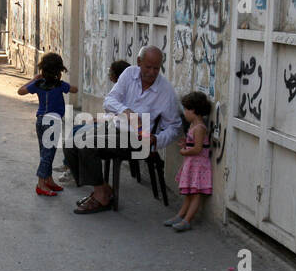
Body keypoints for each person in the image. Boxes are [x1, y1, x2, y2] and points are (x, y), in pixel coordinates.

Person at [67, 45, 181, 214]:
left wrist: (156, 139)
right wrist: (124, 110)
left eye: (156, 68)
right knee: (70, 143)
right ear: (139, 62)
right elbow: (109, 101)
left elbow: (174, 127)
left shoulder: (166, 90)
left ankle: (101, 197)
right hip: (116, 126)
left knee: (86, 144)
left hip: (137, 139)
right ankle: (103, 189)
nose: (152, 72)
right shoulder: (129, 74)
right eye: (148, 67)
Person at [20, 53, 71, 196]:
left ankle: (48, 180)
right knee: (48, 155)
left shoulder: (37, 84)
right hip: (53, 123)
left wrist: (33, 79)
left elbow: (20, 91)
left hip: (41, 121)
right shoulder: (60, 85)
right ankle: (41, 184)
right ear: (59, 70)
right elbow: (74, 89)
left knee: (45, 153)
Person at [165, 91, 213, 232]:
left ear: (194, 110)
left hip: (199, 165)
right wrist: (186, 144)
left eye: (186, 109)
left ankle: (188, 220)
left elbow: (198, 148)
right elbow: (195, 144)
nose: (185, 112)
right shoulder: (193, 126)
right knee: (189, 193)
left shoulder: (199, 128)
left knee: (196, 193)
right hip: (192, 164)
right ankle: (180, 215)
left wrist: (185, 151)